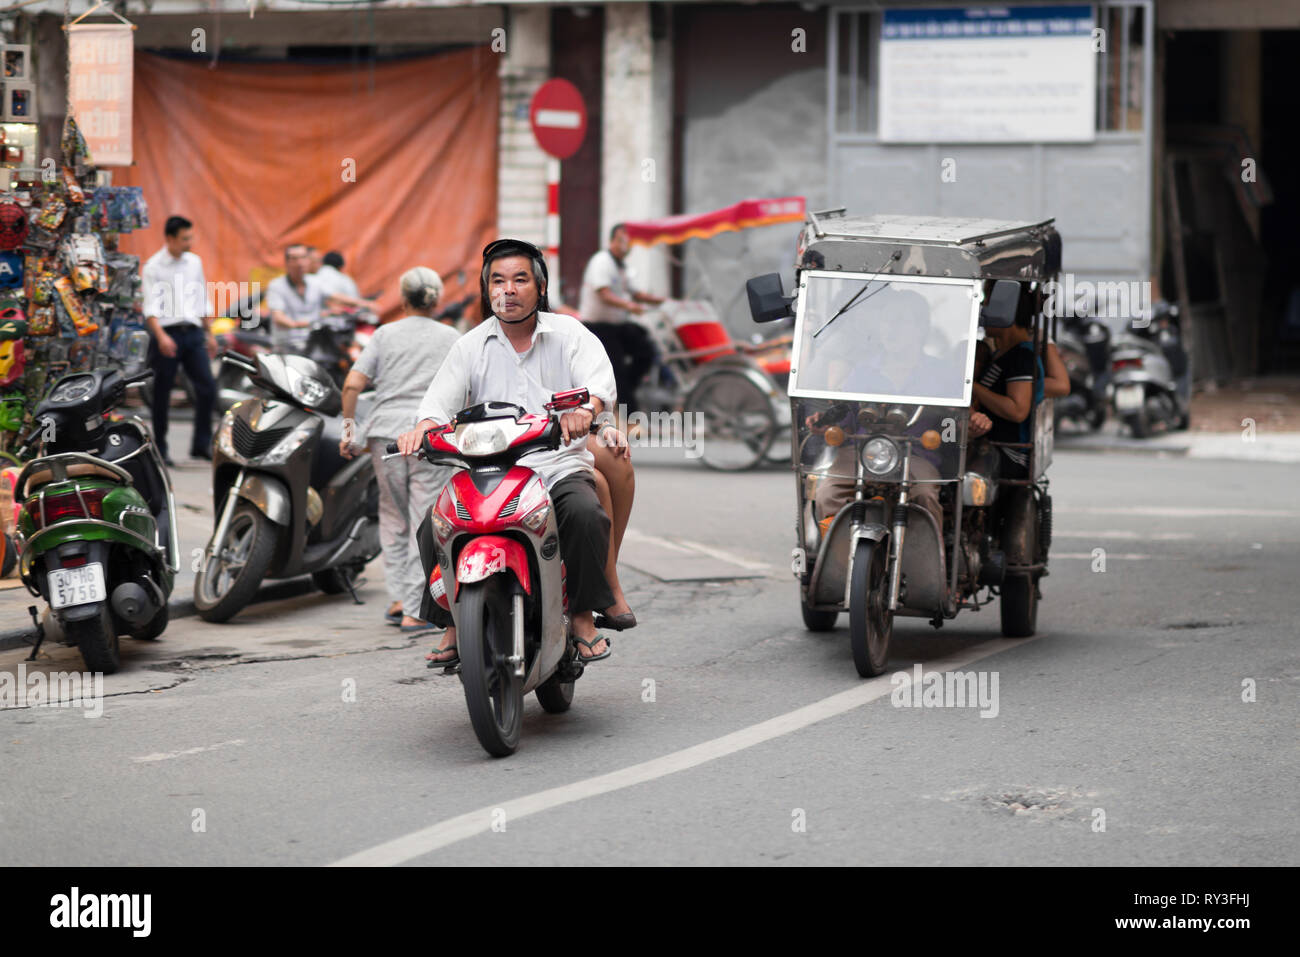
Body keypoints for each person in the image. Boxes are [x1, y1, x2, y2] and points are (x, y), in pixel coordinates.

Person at [397, 238, 619, 665]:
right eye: (498, 281)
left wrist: (585, 409)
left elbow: (598, 383)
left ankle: (582, 617)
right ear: (487, 290)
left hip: (555, 466)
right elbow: (436, 404)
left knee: (583, 513)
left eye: (520, 279)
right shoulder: (470, 345)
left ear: (540, 287)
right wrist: (422, 429)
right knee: (434, 526)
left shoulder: (569, 334)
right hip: (488, 472)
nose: (509, 289)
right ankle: (450, 621)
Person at [340, 267, 460, 633]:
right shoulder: (453, 337)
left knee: (392, 517)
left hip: (385, 435)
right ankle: (414, 608)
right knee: (424, 518)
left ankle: (400, 598)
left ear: (404, 299)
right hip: (429, 435)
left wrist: (349, 431)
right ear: (436, 299)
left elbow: (352, 384)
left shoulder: (384, 334)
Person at [142, 215, 218, 467]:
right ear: (170, 239)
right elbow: (150, 306)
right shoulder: (154, 266)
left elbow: (201, 297)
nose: (190, 242)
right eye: (185, 238)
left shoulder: (194, 262)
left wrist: (210, 334)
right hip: (167, 334)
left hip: (193, 333)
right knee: (161, 393)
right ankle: (160, 449)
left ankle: (201, 444)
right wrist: (161, 336)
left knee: (207, 388)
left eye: (191, 237)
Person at [578, 223, 663, 416]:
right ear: (612, 241)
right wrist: (629, 306)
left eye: (629, 241)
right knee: (618, 369)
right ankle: (629, 416)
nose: (626, 245)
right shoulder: (601, 262)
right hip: (598, 327)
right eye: (622, 240)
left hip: (618, 325)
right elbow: (604, 294)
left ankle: (622, 393)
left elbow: (637, 294)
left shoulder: (623, 267)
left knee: (646, 352)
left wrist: (665, 301)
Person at [265, 244, 325, 352]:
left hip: (313, 345)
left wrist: (361, 303)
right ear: (287, 263)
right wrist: (297, 324)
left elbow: (334, 297)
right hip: (287, 346)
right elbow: (278, 318)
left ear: (308, 260)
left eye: (303, 257)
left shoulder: (316, 282)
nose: (300, 263)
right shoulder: (276, 286)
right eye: (294, 259)